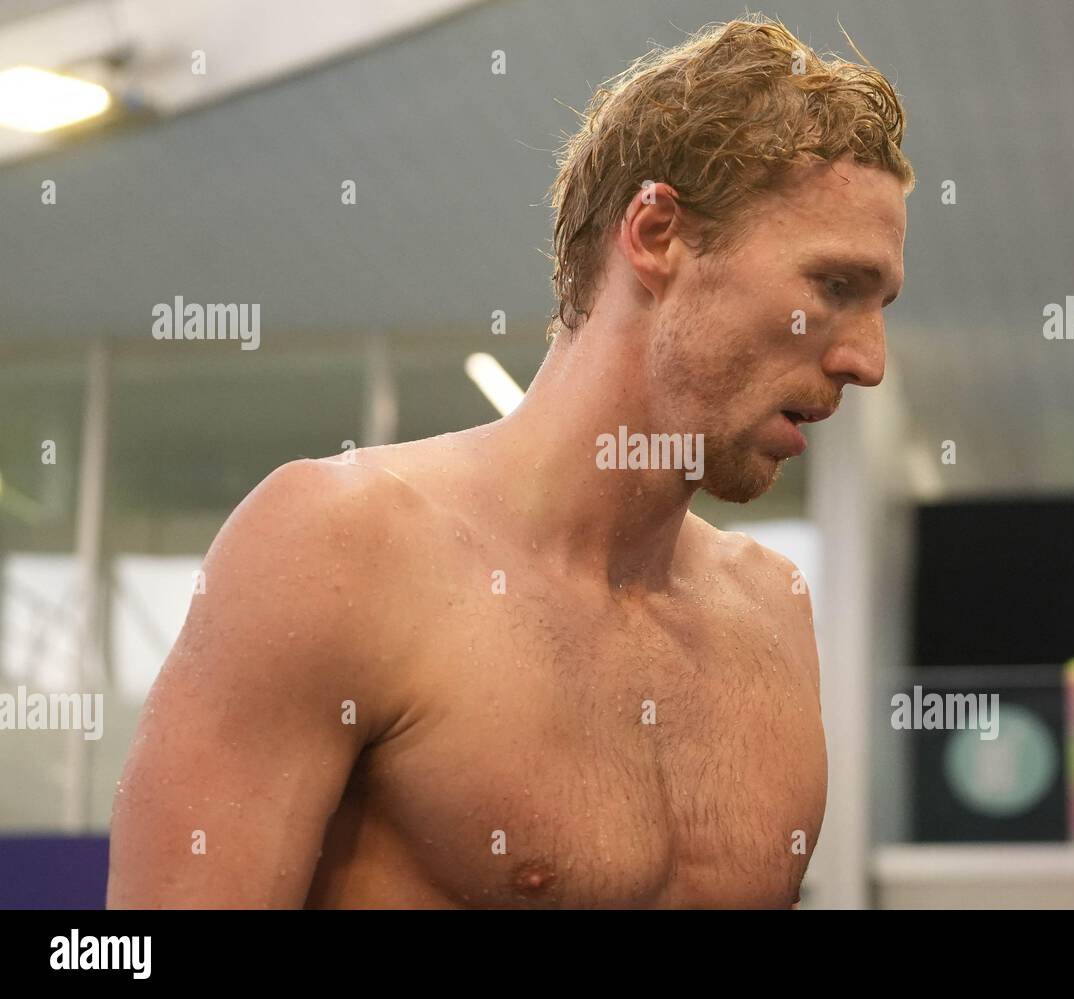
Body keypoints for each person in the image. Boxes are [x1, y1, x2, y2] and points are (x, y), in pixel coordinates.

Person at [107, 14, 913, 908]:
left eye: (880, 304)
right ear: (655, 235)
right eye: (833, 288)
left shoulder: (771, 611)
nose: (866, 360)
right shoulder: (338, 550)